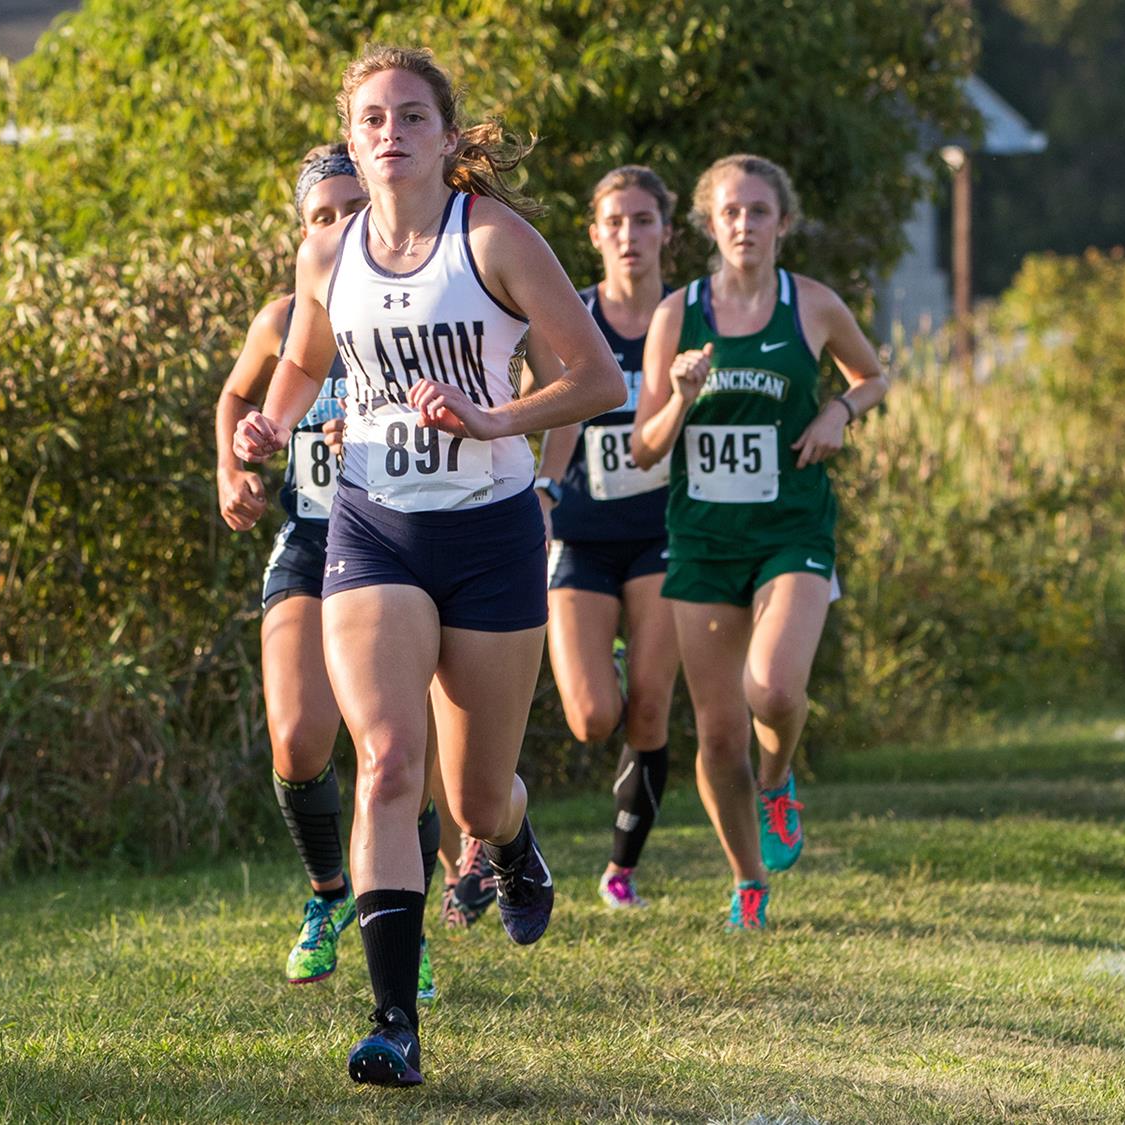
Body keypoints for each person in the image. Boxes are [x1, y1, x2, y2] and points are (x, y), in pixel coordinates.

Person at [234, 45, 624, 1087]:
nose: (391, 133)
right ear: (351, 140)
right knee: (389, 767)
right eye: (371, 118)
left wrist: (494, 415)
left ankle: (513, 833)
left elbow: (591, 377)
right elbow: (307, 358)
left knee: (472, 790)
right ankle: (392, 1024)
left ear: (447, 137)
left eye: (412, 116)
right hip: (373, 530)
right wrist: (269, 426)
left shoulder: (491, 237)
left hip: (491, 533)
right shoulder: (332, 253)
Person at [631, 155, 888, 931]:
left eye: (759, 211)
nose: (745, 224)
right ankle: (748, 879)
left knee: (773, 689)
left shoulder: (809, 304)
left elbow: (872, 376)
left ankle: (779, 783)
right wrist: (678, 396)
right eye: (731, 211)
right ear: (710, 223)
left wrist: (838, 413)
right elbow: (644, 449)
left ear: (783, 221)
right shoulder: (679, 315)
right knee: (716, 732)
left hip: (791, 528)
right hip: (704, 539)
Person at [214, 145, 441, 999]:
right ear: (301, 233)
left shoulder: (412, 303)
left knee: (392, 749)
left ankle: (402, 928)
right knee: (297, 737)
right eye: (324, 215)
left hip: (394, 543)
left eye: (355, 207)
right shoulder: (283, 319)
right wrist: (234, 470)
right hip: (309, 540)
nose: (342, 225)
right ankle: (326, 898)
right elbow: (239, 397)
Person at [529, 165, 683, 911]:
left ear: (666, 232)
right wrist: (545, 494)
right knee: (593, 717)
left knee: (649, 710)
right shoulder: (572, 319)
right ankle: (613, 654)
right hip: (583, 534)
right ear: (594, 235)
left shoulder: (692, 320)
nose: (629, 235)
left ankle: (621, 869)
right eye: (614, 222)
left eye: (643, 220)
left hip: (665, 533)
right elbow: (547, 409)